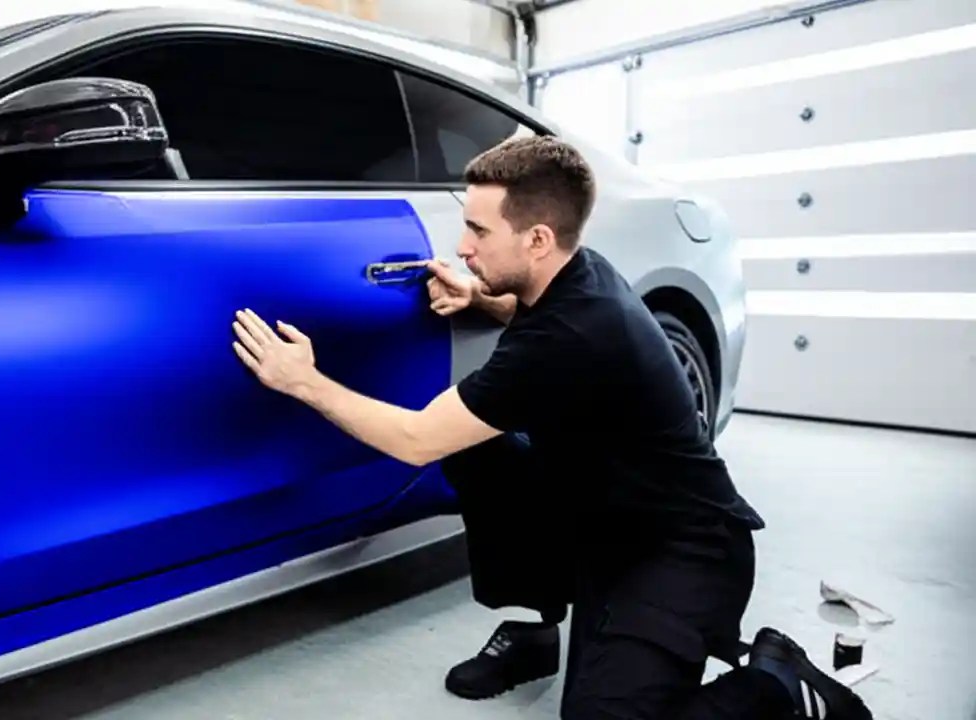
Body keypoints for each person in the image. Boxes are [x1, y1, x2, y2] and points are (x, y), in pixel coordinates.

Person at [230, 135, 871, 719]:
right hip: (602, 521)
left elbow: (417, 439)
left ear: (537, 239)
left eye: (478, 231)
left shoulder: (570, 333)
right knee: (482, 451)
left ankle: (778, 684)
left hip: (684, 551)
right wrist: (479, 295)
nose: (462, 247)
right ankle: (535, 631)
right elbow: (527, 310)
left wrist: (303, 380)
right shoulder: (580, 271)